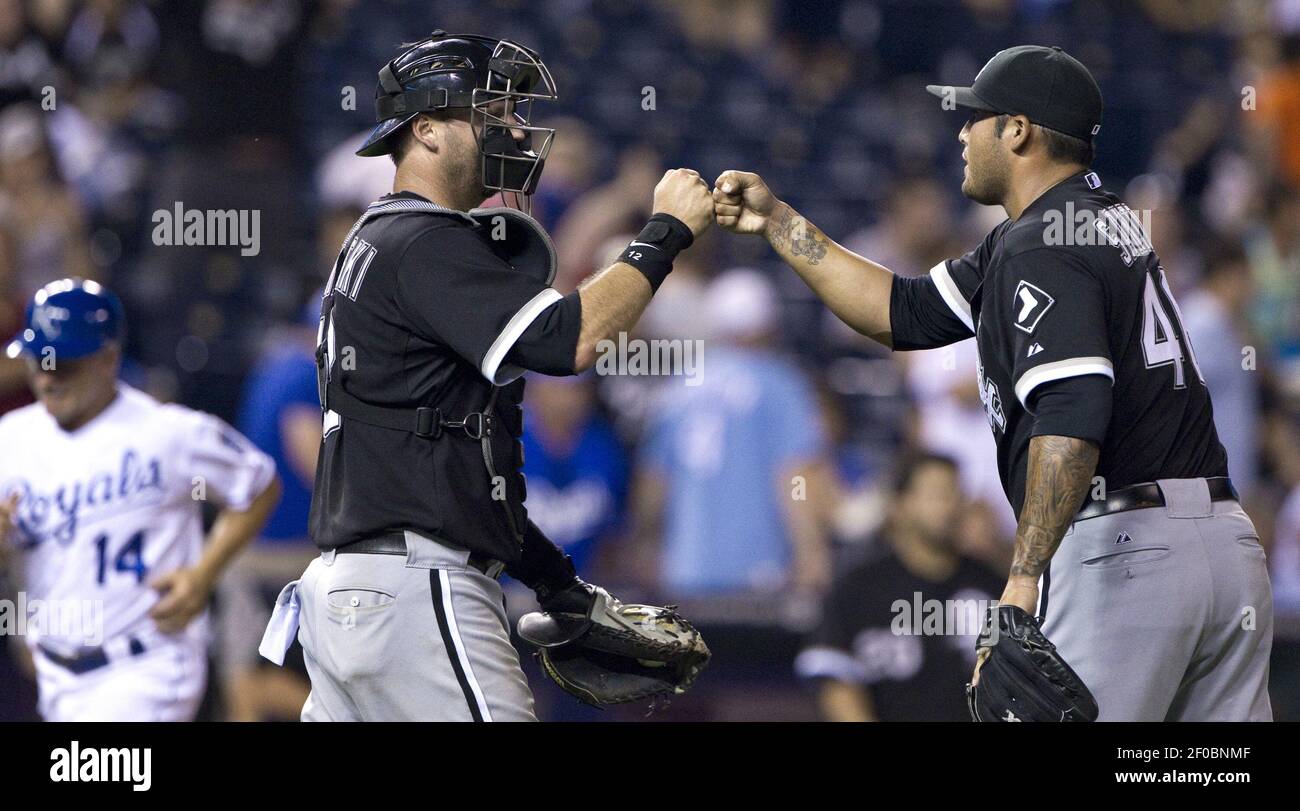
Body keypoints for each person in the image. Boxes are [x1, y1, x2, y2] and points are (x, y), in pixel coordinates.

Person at [711, 45, 1273, 721]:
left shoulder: (1041, 241)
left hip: (1130, 553)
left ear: (1017, 130)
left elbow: (1073, 410)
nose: (961, 132)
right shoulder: (1094, 220)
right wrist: (778, 220)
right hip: (1224, 546)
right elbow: (902, 312)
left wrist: (1023, 576)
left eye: (974, 116)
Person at [268, 31, 714, 722]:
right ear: (426, 129)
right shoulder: (423, 239)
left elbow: (457, 471)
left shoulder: (380, 243)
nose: (512, 128)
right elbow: (569, 338)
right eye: (491, 112)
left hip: (358, 594)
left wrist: (554, 581)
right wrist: (664, 233)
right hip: (417, 593)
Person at [0, 278, 280, 721]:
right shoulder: (10, 439)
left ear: (108, 358)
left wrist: (203, 573)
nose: (47, 377)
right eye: (39, 361)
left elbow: (258, 482)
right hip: (55, 677)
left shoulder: (166, 432)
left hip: (147, 665)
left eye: (65, 363)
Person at [632, 268, 831, 596]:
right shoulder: (780, 384)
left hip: (685, 570)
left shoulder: (680, 386)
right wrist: (811, 551)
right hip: (757, 571)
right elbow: (795, 477)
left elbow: (653, 484)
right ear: (767, 326)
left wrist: (646, 546)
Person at [795, 453, 1001, 721]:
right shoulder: (859, 588)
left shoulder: (992, 585)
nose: (947, 506)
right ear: (899, 504)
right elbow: (836, 680)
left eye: (954, 493)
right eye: (935, 495)